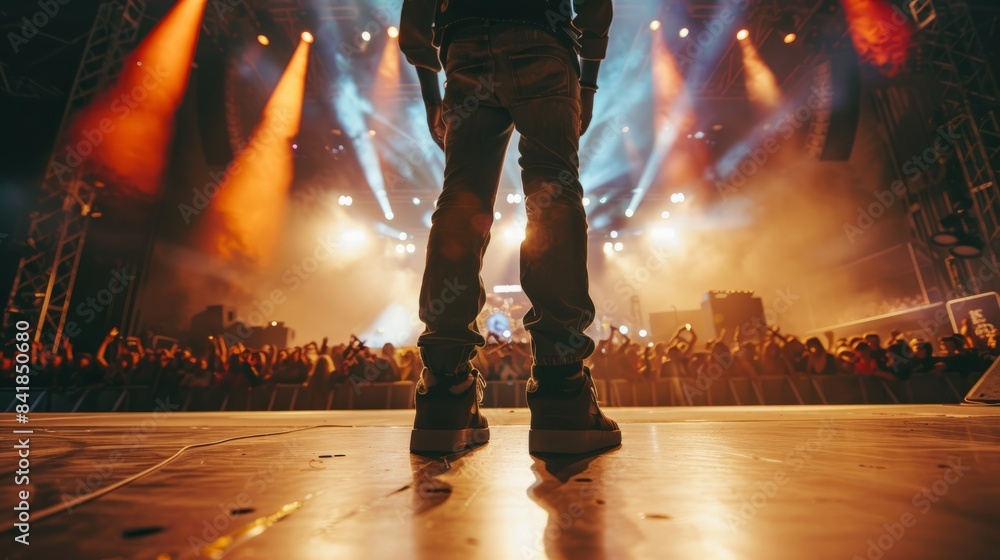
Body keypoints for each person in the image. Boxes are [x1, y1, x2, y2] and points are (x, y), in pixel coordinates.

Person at [400, 0, 619, 454]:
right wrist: (589, 82)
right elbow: (595, 7)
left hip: (464, 49)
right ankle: (562, 386)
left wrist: (431, 97)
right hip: (543, 40)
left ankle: (444, 387)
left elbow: (416, 16)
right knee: (553, 196)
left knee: (460, 203)